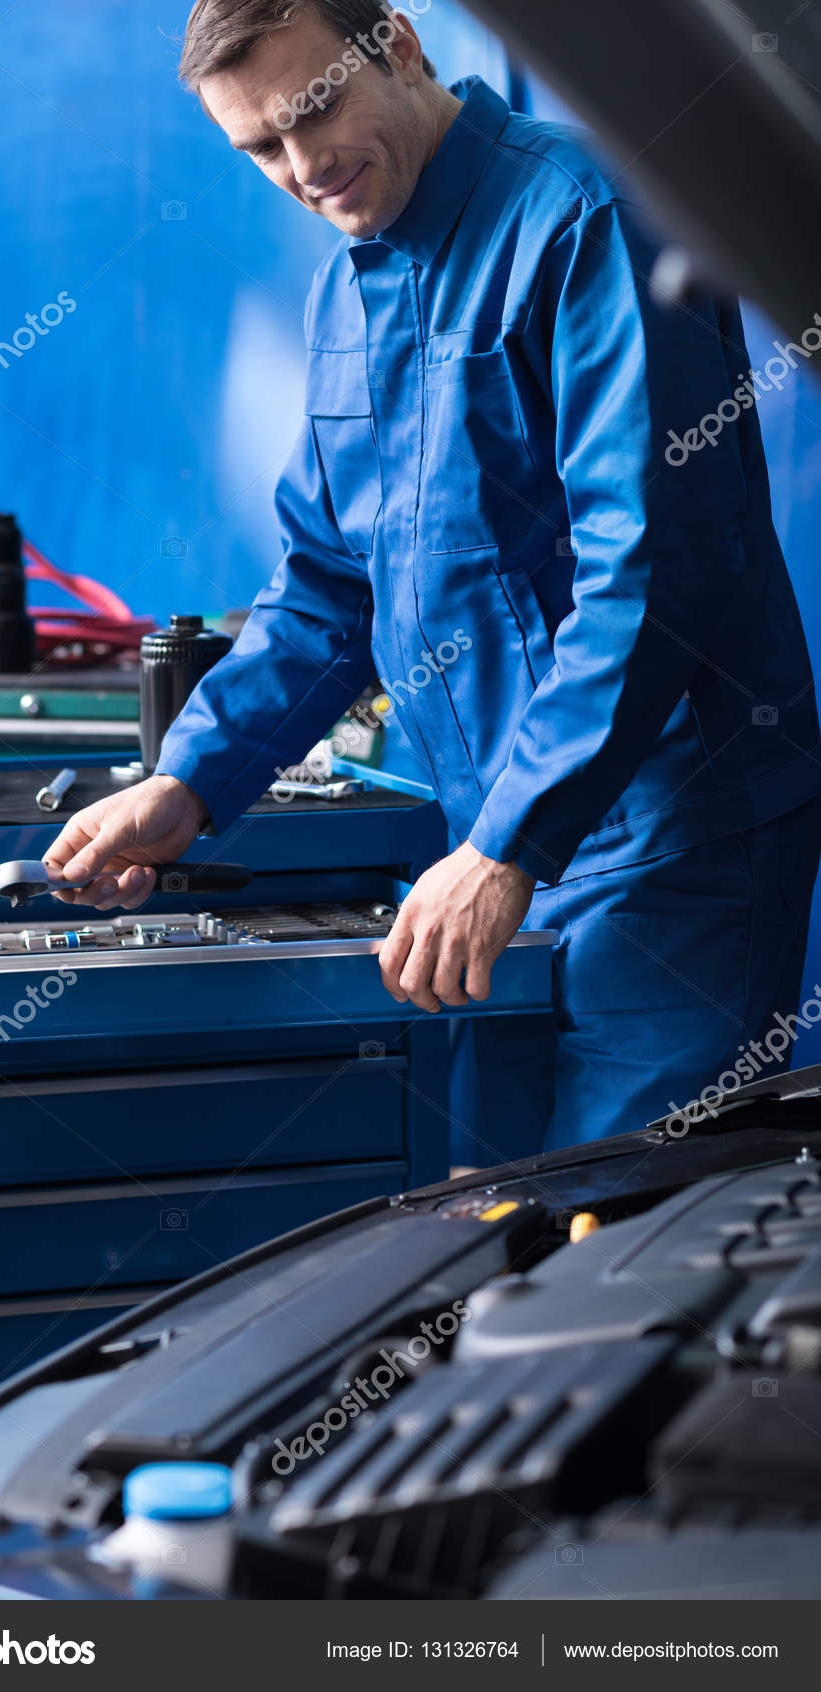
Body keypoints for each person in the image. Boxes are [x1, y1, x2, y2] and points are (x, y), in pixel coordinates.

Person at [47, 1, 821, 1150]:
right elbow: (328, 586)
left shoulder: (584, 219)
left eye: (315, 110)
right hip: (497, 846)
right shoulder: (350, 291)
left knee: (617, 1237)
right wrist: (190, 782)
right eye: (261, 147)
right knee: (497, 1229)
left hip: (669, 840)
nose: (303, 167)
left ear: (399, 46)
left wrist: (510, 842)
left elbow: (651, 567)